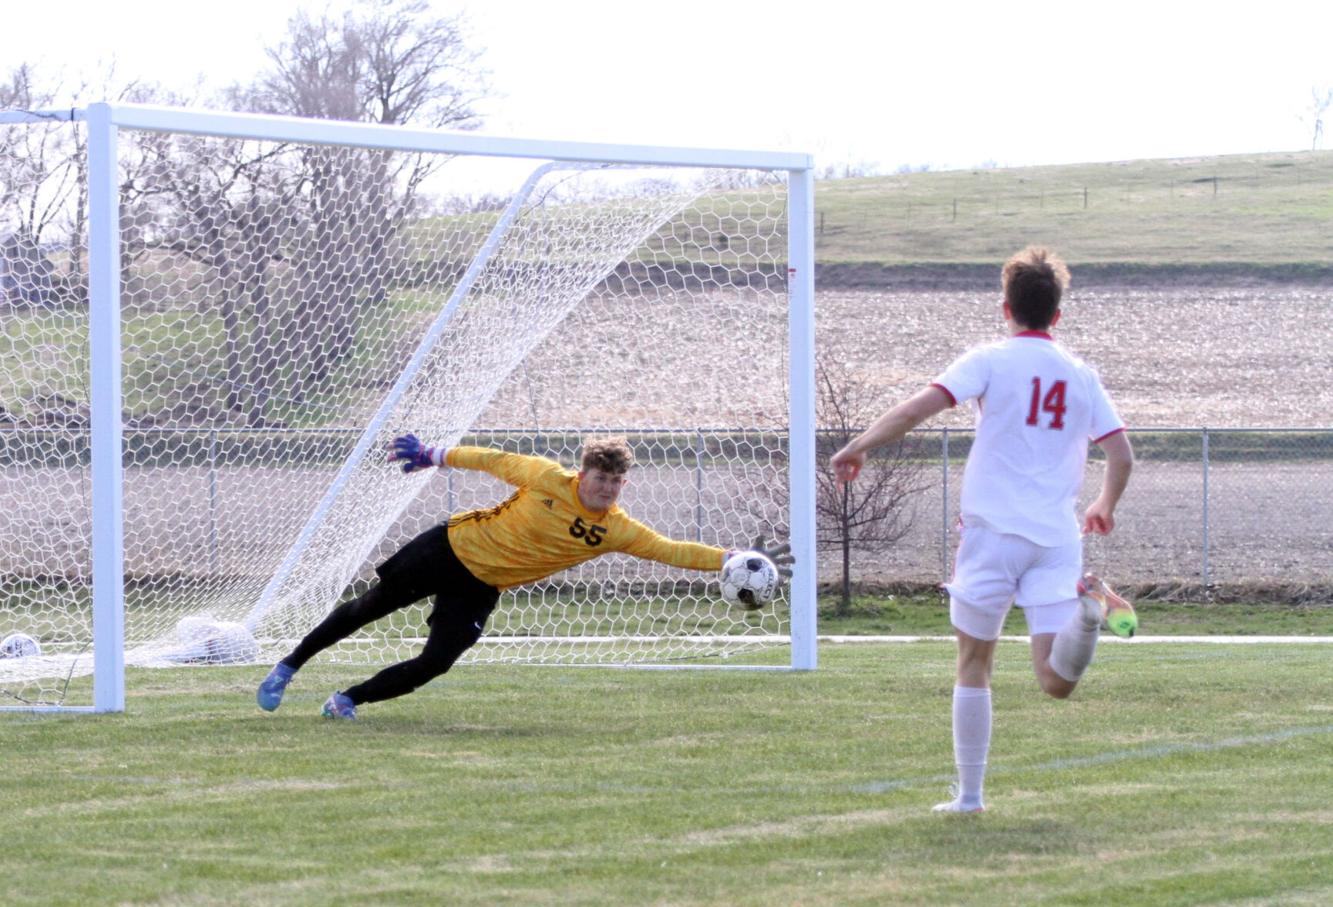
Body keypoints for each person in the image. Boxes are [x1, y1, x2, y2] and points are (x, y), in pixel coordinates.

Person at [830, 245, 1134, 814]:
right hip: (1056, 539)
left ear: (1006, 308)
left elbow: (917, 409)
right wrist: (1104, 504)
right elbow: (1122, 454)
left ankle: (970, 797)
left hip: (992, 533)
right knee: (1054, 681)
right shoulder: (1082, 374)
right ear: (1057, 316)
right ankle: (1088, 615)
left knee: (974, 663)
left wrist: (857, 446)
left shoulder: (990, 359)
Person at [257, 434, 793, 719]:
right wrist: (432, 455)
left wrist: (726, 558)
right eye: (601, 479)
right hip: (450, 546)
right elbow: (491, 459)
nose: (608, 489)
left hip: (481, 586)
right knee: (369, 608)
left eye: (616, 483)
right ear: (583, 474)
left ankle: (346, 700)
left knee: (437, 662)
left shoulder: (615, 529)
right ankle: (288, 666)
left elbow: (669, 550)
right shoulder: (544, 476)